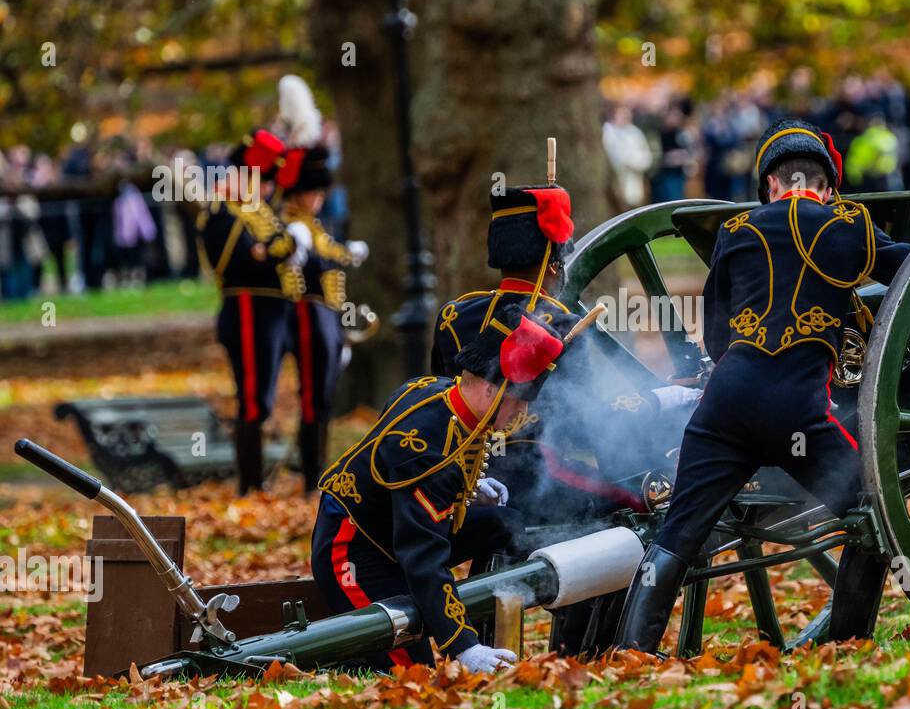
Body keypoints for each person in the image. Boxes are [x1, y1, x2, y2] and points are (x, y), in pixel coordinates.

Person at [615, 118, 910, 653]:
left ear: (770, 183)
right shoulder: (846, 226)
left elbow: (717, 333)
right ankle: (845, 645)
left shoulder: (735, 231)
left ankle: (632, 654)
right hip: (801, 413)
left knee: (677, 535)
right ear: (828, 187)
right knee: (873, 514)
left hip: (723, 409)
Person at [433, 181, 699, 653]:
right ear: (556, 263)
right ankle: (585, 651)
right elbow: (585, 423)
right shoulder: (558, 323)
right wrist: (663, 399)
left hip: (470, 480)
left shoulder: (455, 315)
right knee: (629, 518)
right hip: (538, 476)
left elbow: (443, 401)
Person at [312, 302, 567, 672]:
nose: (521, 416)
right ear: (489, 388)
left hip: (391, 531)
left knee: (503, 523)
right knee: (413, 670)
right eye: (518, 402)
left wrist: (468, 487)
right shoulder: (432, 458)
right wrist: (463, 648)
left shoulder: (435, 388)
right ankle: (466, 636)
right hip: (354, 548)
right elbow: (423, 558)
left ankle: (485, 623)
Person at [197, 128, 301, 493]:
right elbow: (240, 258)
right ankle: (250, 485)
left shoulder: (260, 210)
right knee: (253, 401)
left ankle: (259, 483)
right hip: (247, 311)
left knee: (266, 400)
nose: (268, 187)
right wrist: (279, 247)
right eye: (263, 178)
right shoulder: (222, 210)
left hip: (274, 312)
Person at [278, 144, 369, 490]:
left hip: (326, 316)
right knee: (313, 396)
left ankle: (315, 470)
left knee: (324, 396)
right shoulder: (291, 227)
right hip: (305, 312)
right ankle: (311, 475)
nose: (318, 198)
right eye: (312, 192)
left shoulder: (315, 228)